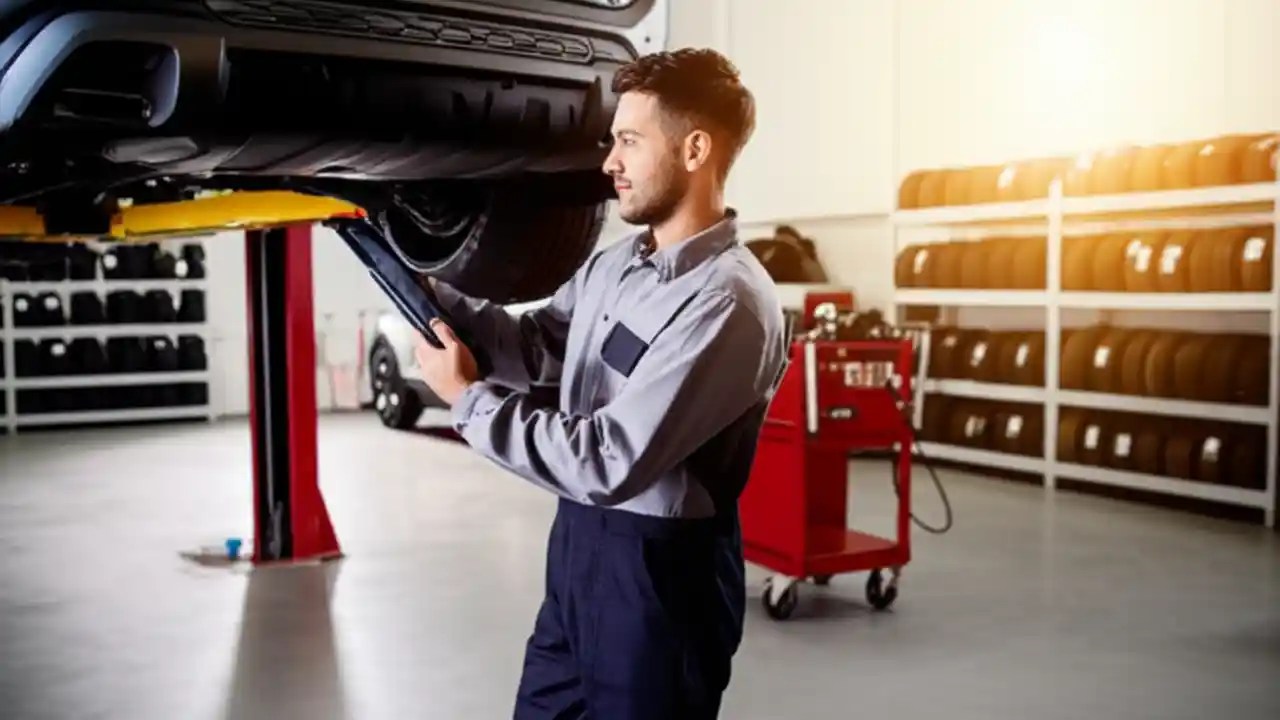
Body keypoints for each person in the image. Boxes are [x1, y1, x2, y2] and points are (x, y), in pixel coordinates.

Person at [414, 47, 787, 719]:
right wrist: (429, 293)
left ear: (695, 150)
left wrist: (468, 403)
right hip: (578, 550)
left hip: (660, 581)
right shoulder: (616, 266)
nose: (610, 162)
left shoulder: (727, 303)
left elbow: (609, 459)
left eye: (629, 141)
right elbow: (536, 350)